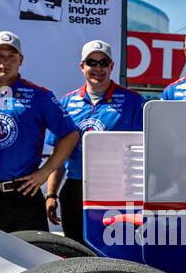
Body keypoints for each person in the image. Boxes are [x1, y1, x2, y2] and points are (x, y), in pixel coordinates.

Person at [0, 31, 79, 233]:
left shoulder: (40, 96)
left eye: (11, 56)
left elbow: (70, 134)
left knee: (35, 259)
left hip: (25, 193)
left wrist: (45, 172)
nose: (5, 62)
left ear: (21, 60)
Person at [46, 39, 144, 242]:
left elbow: (145, 152)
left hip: (116, 190)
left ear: (112, 66)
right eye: (92, 62)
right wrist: (51, 194)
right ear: (82, 67)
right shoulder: (66, 102)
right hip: (75, 188)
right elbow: (59, 156)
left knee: (113, 251)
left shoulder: (132, 101)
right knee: (77, 251)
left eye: (103, 62)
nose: (97, 68)